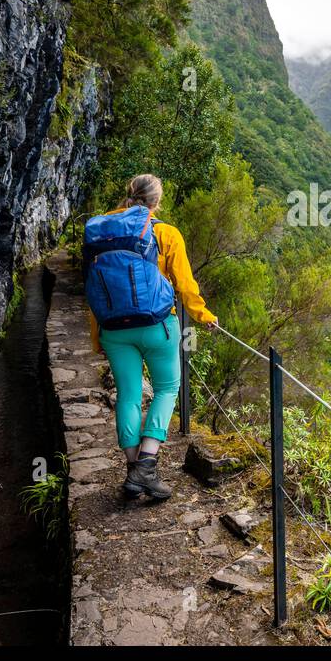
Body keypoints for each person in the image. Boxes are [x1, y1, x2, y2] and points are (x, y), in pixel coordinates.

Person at [87, 174, 217, 501]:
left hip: (114, 329)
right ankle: (147, 462)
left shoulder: (100, 232)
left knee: (129, 394)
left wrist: (97, 336)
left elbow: (94, 290)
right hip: (158, 326)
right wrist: (204, 316)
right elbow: (185, 287)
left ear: (128, 195)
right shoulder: (166, 233)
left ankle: (134, 472)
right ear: (157, 202)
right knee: (167, 388)